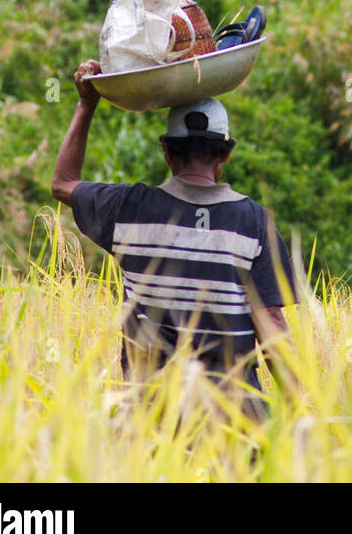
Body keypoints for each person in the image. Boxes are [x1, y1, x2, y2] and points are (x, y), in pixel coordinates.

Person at [51, 60, 297, 418]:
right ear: (227, 153)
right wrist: (300, 419)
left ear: (166, 150)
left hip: (151, 419)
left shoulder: (128, 208)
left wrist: (87, 103)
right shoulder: (253, 221)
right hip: (235, 422)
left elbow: (62, 183)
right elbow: (272, 329)